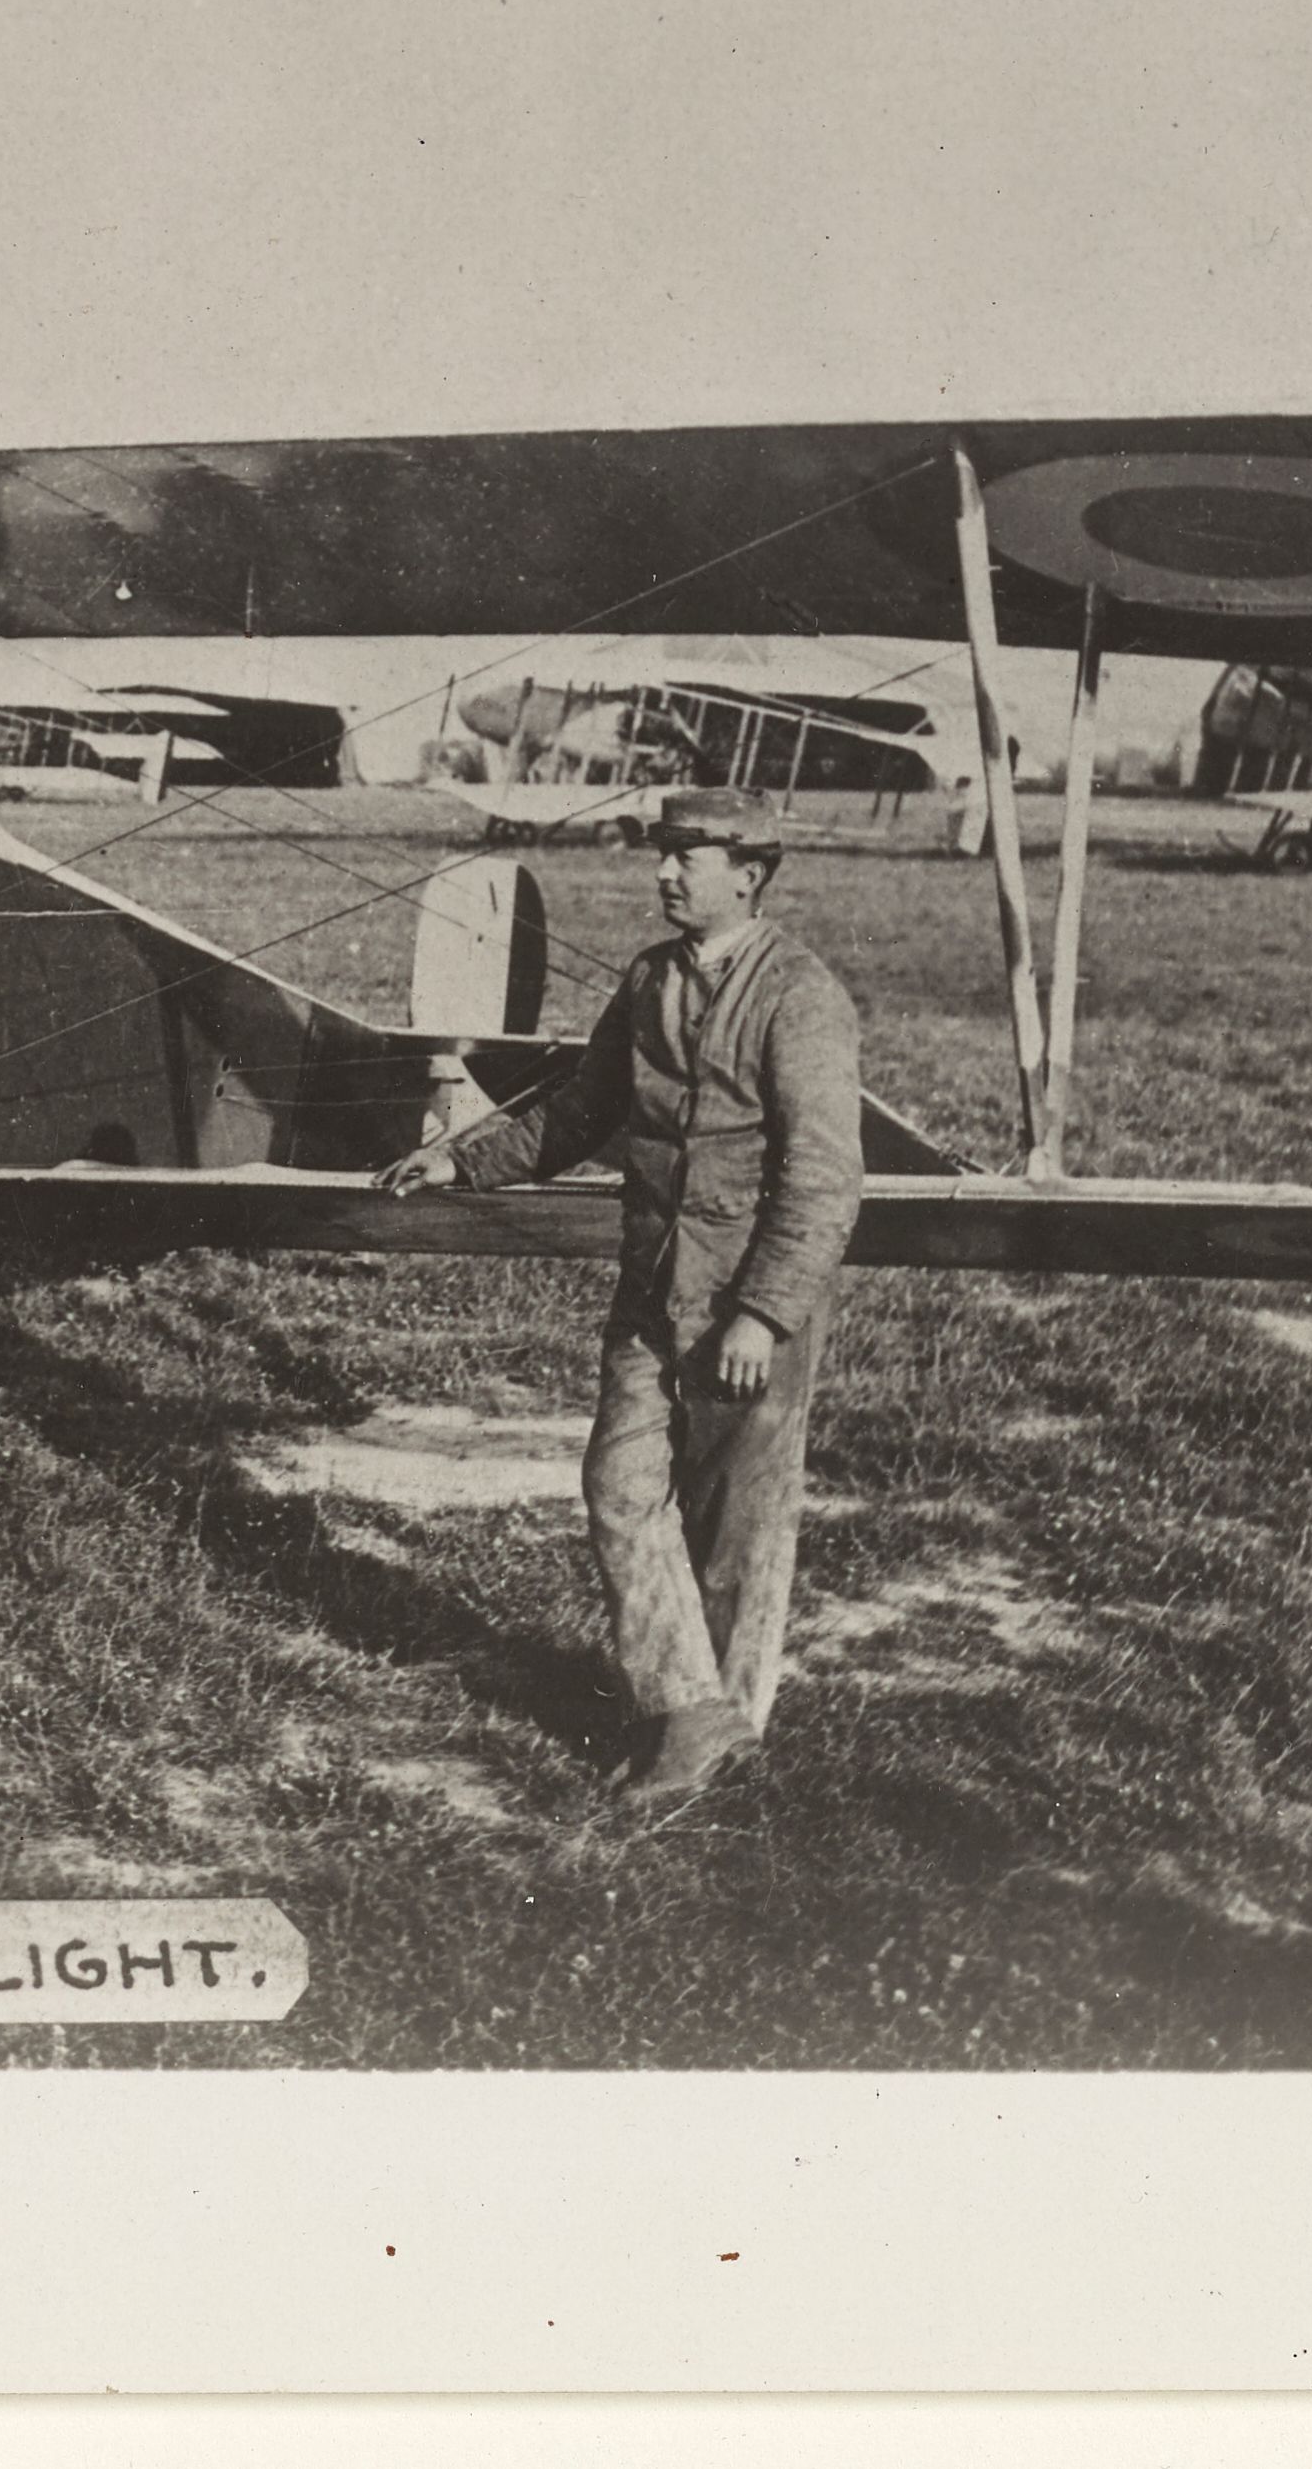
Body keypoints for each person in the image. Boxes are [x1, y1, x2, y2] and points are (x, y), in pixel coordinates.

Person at [386, 784, 861, 1838]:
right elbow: (579, 1111)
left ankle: (730, 1726)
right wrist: (460, 1156)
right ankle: (689, 1711)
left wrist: (762, 1314)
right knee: (620, 1485)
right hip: (652, 1287)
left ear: (749, 872)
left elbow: (824, 1176)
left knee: (738, 1525)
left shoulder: (801, 994)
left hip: (748, 1300)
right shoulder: (649, 980)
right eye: (662, 852)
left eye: (688, 854)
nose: (663, 870)